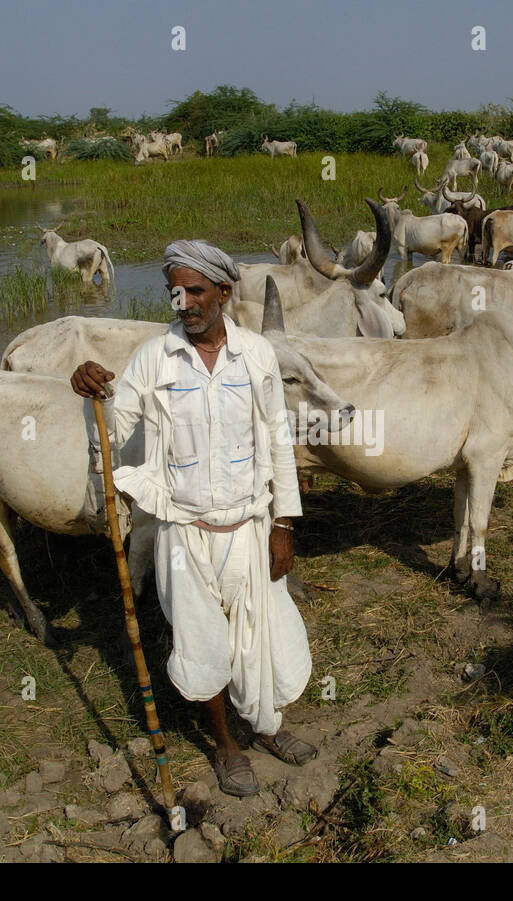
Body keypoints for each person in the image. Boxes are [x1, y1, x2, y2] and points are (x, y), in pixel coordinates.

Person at [70, 240, 317, 798]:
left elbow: (279, 442)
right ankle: (226, 746)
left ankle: (267, 727)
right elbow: (112, 431)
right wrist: (90, 391)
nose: (184, 302)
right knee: (203, 643)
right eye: (175, 292)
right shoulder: (155, 358)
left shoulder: (255, 356)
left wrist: (284, 524)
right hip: (185, 531)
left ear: (224, 293)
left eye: (196, 291)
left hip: (252, 528)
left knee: (264, 636)